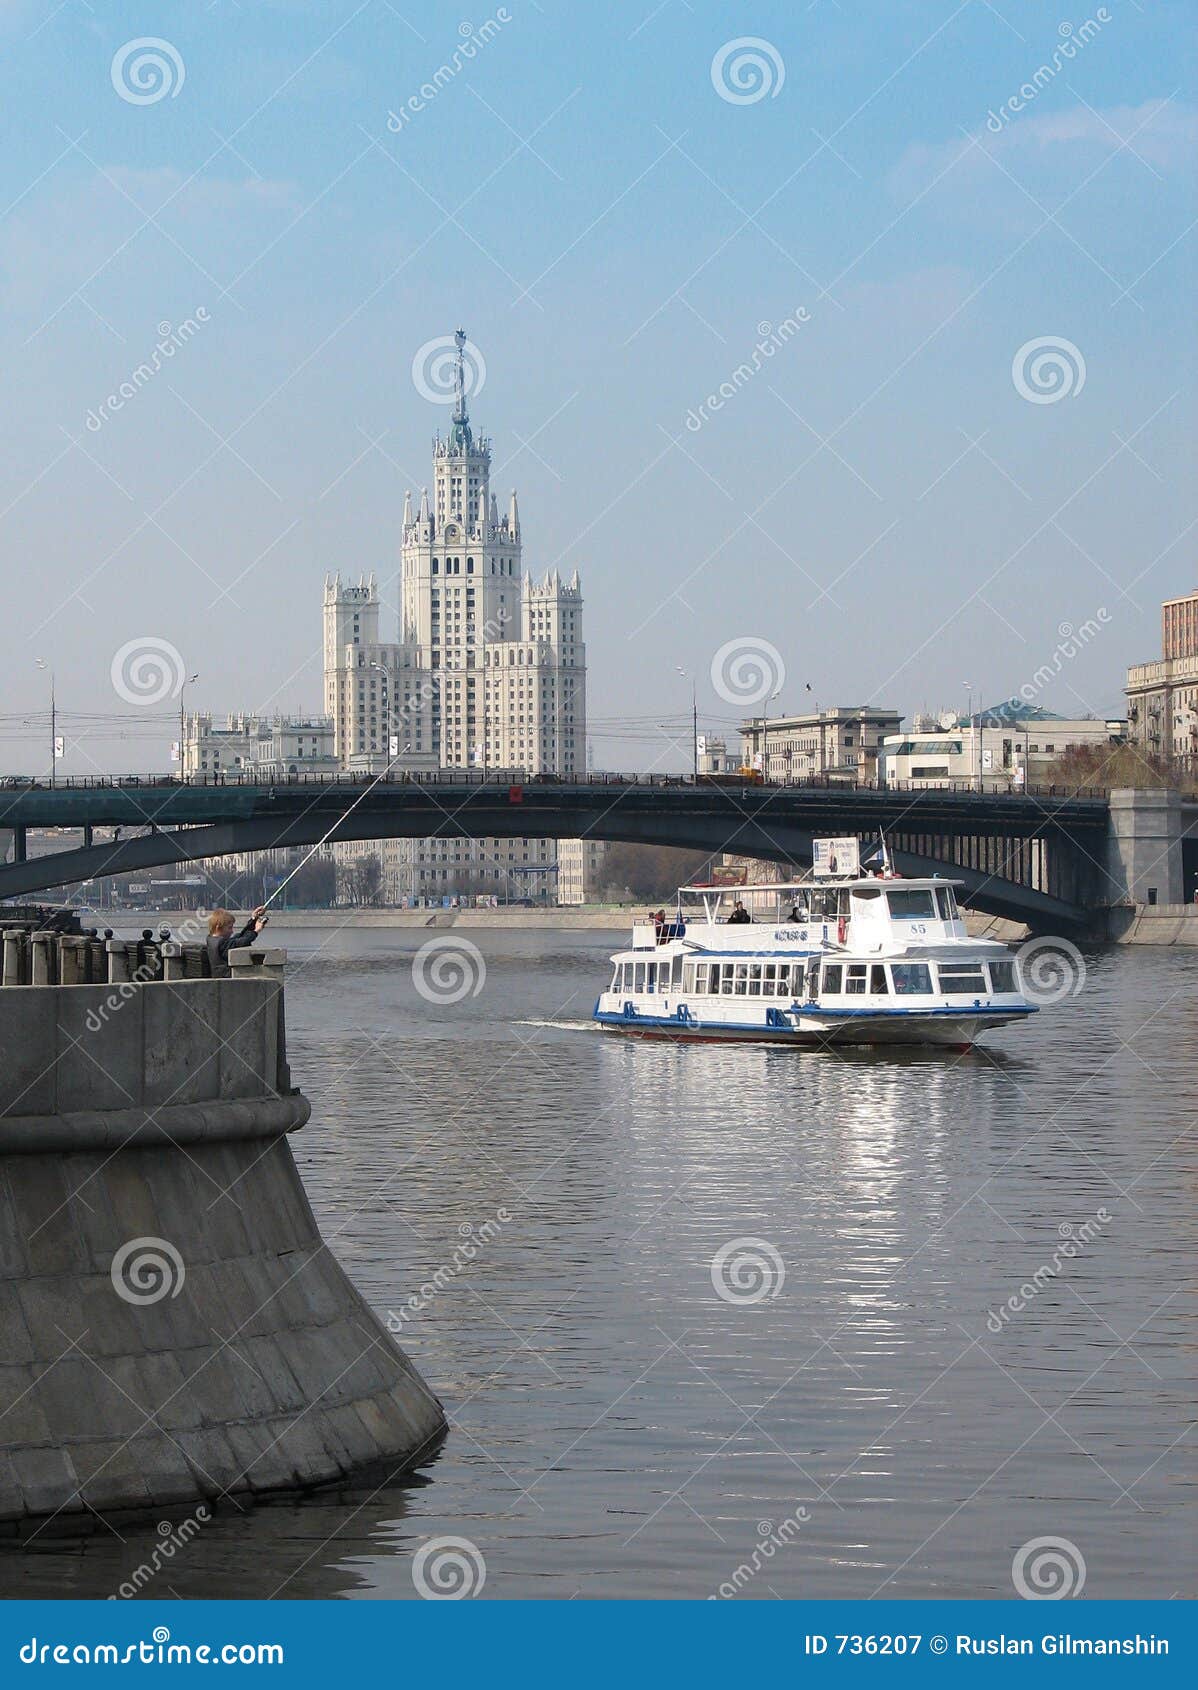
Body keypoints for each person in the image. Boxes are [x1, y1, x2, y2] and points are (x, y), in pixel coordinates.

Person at [206, 906, 268, 977]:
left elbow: (240, 936)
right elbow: (242, 942)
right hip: (226, 980)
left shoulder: (211, 939)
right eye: (229, 928)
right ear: (218, 927)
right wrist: (256, 931)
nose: (232, 931)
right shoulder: (222, 943)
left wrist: (253, 919)